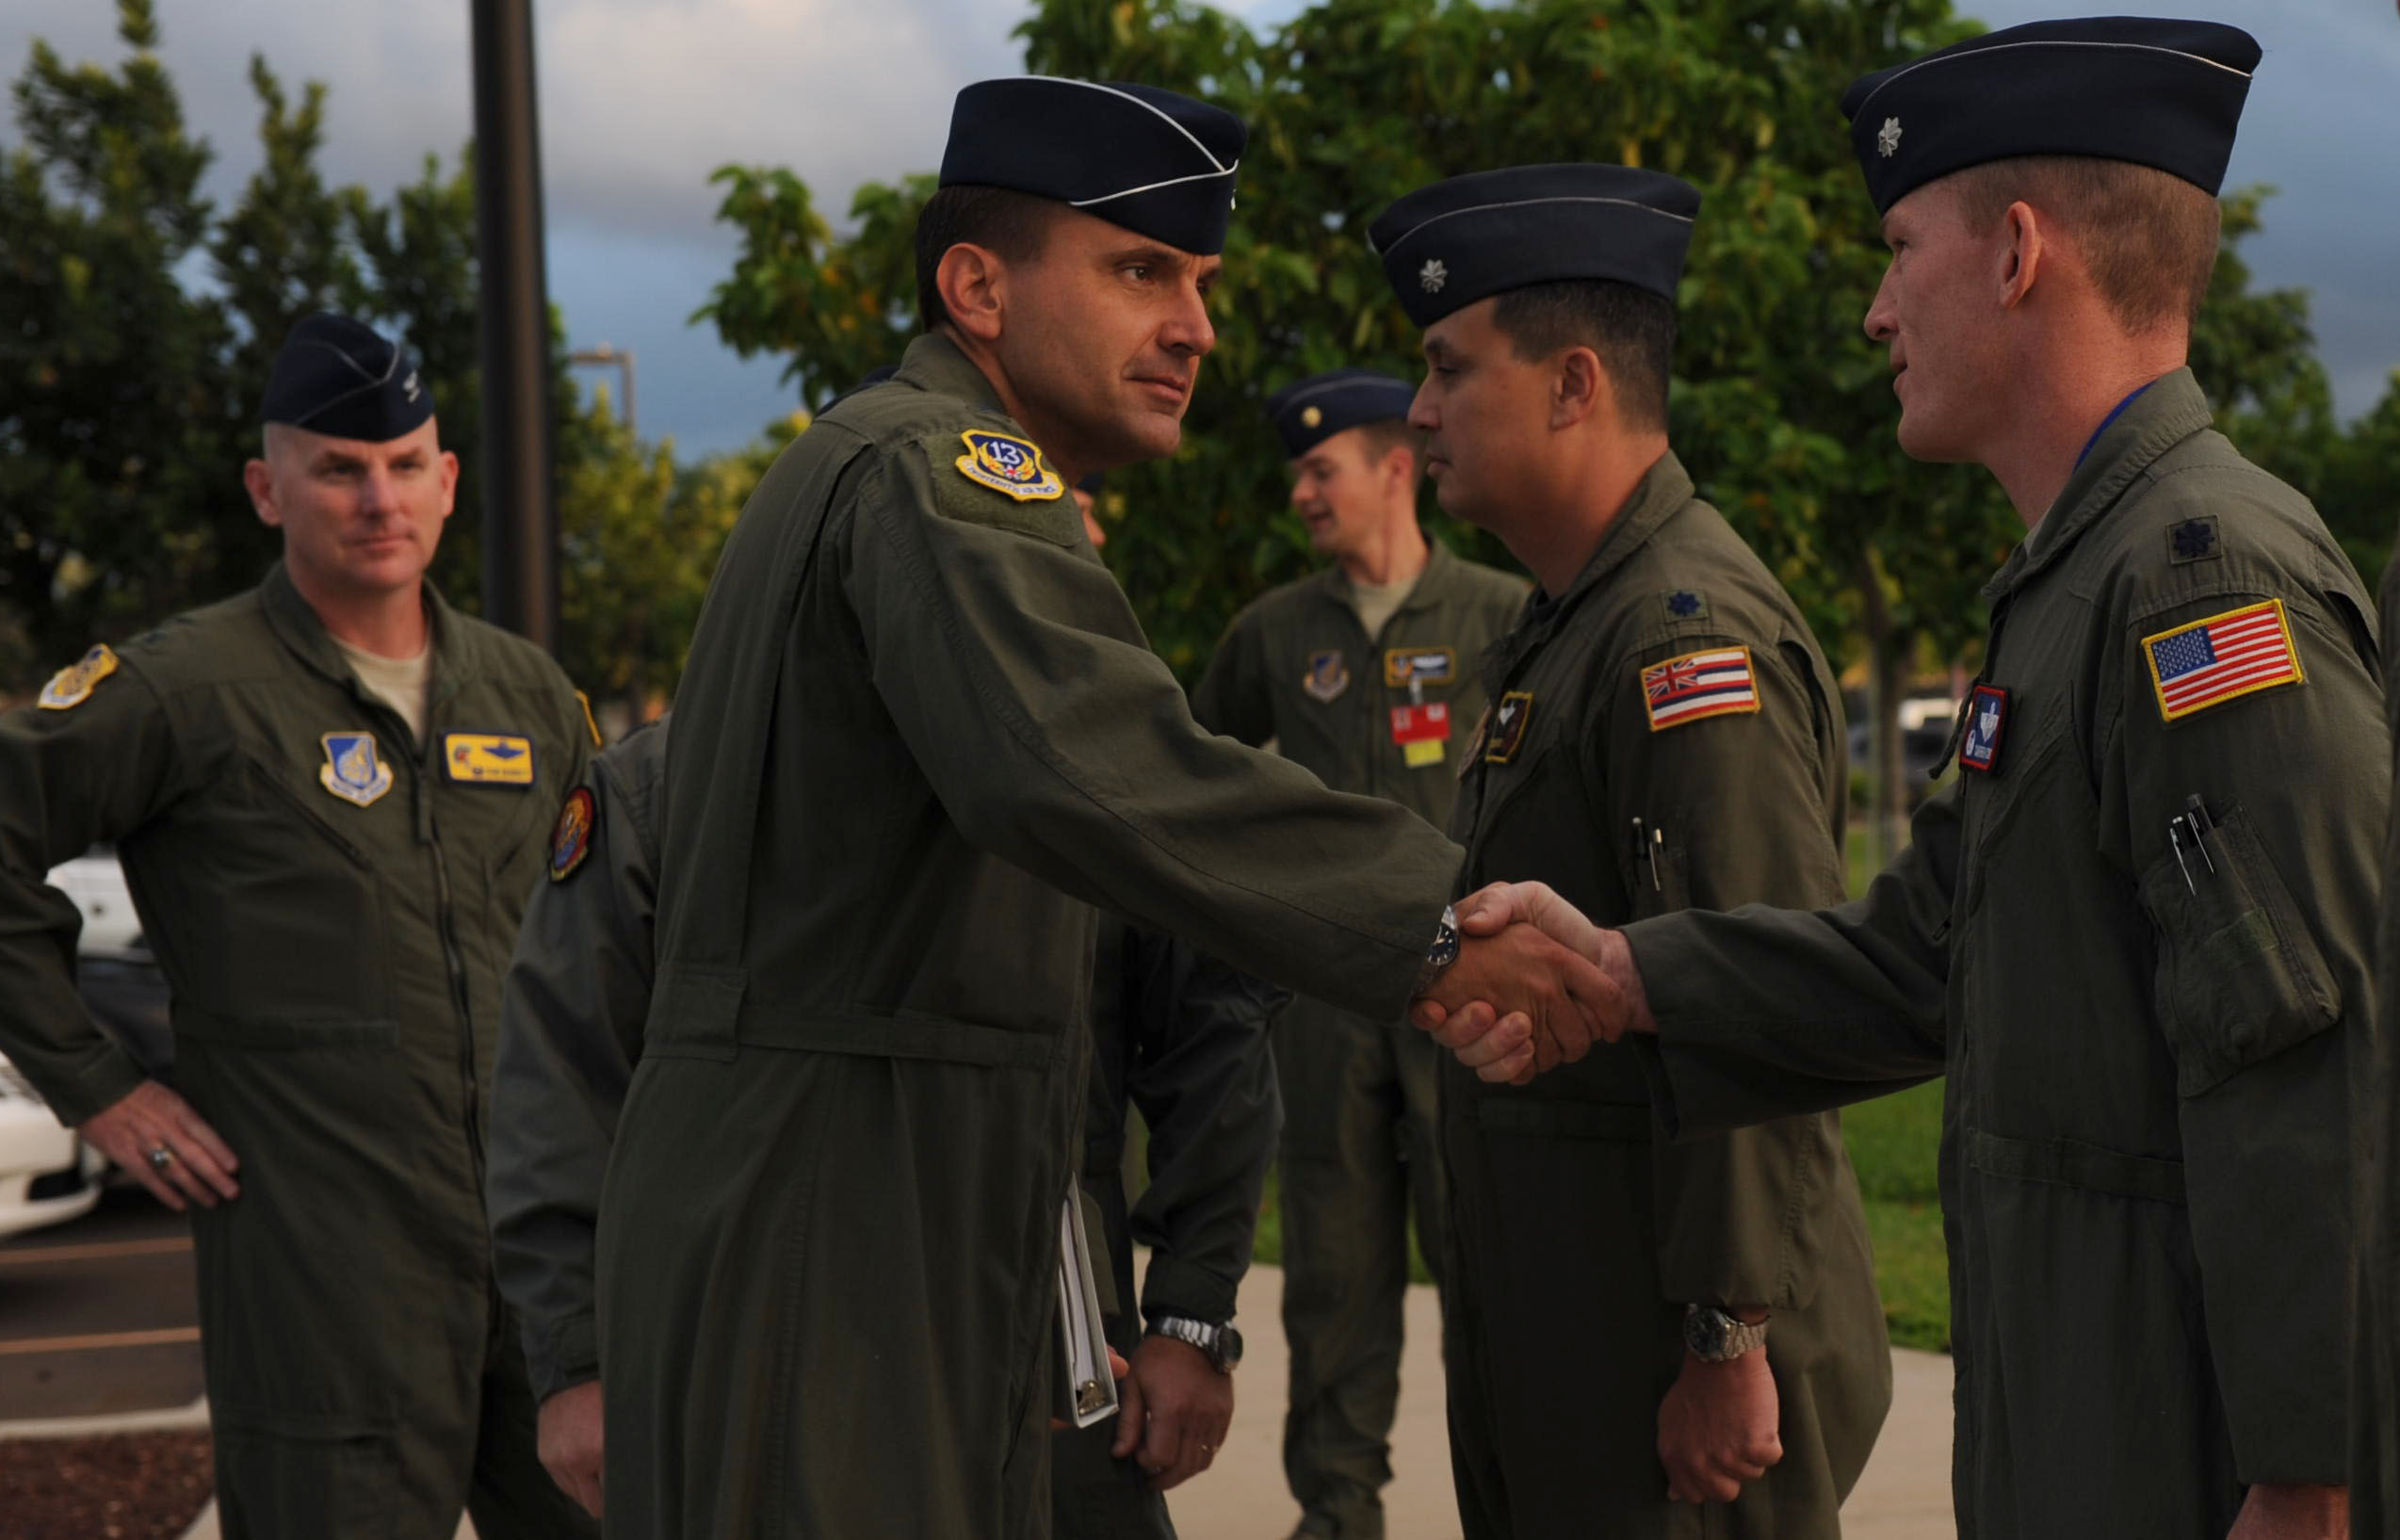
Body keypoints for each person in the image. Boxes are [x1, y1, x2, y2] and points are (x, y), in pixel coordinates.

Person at [598, 77, 1610, 1539]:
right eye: (1143, 271)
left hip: (882, 1203)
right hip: (834, 1221)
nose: (1197, 324)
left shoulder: (924, 472)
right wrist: (1438, 923)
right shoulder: (933, 473)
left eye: (1199, 280)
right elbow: (1091, 764)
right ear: (977, 288)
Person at [1422, 21, 2380, 1539]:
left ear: (2015, 253)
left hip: (2189, 1451)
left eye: (1897, 247)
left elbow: (2302, 1059)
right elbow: (1917, 953)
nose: (1875, 311)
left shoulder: (2202, 586)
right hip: (2074, 1404)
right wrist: (1620, 969)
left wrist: (2310, 1474)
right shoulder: (2072, 586)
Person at [0, 313, 599, 1538]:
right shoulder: (189, 689)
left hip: (550, 1280)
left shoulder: (528, 692)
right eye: (337, 467)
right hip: (327, 1282)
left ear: (446, 482)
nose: (377, 497)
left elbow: (613, 942)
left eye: (402, 464)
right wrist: (97, 1081)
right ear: (267, 489)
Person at [1361, 164, 1889, 1537]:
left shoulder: (1679, 641)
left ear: (1573, 383)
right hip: (1582, 1321)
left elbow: (1761, 997)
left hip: (1674, 1362)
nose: (1417, 412)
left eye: (1446, 367)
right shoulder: (1575, 621)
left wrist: (1729, 1333)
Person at [1188, 368, 1526, 1540]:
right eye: (1293, 474)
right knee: (1332, 1275)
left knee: (1487, 1262)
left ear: (1393, 469)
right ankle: (1337, 1511)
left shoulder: (1500, 615)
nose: (1299, 494)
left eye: (1318, 471)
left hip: (1469, 998)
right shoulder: (1273, 634)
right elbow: (1193, 789)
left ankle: (1517, 1496)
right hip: (1325, 1006)